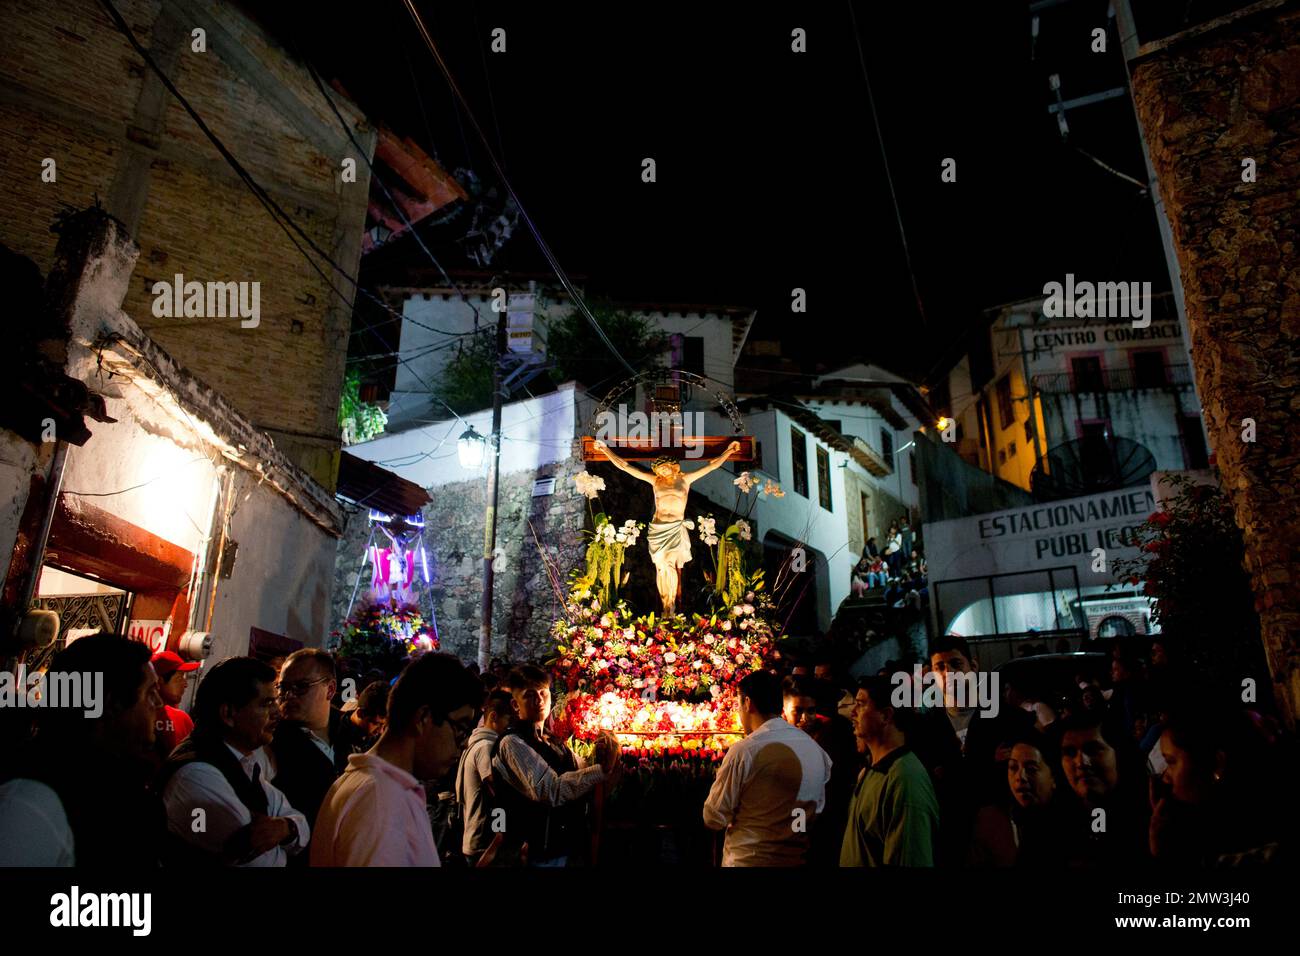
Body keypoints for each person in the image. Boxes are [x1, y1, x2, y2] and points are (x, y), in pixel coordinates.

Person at [0, 633, 165, 866]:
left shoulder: (120, 789)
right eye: (150, 692)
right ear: (112, 704)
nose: (158, 703)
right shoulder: (30, 802)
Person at [312, 653, 481, 866]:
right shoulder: (382, 803)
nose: (464, 743)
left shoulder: (379, 788)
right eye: (460, 728)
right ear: (423, 718)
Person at [161, 657, 309, 866]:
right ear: (228, 714)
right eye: (266, 703)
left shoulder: (243, 761)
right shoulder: (196, 774)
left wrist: (286, 827)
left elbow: (298, 824)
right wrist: (284, 832)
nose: (278, 713)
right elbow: (262, 861)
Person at [590, 437, 743, 615]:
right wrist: (605, 450)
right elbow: (625, 466)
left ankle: (670, 605)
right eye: (658, 469)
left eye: (663, 467)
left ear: (672, 466)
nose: (661, 471)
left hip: (676, 528)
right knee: (661, 567)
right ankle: (665, 603)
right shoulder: (656, 481)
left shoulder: (685, 480)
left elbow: (712, 465)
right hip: (658, 529)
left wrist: (729, 451)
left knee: (670, 564)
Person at [703, 670, 831, 866]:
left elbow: (714, 817)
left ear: (747, 703)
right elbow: (817, 810)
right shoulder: (816, 751)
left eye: (739, 705)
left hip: (749, 860)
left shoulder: (745, 751)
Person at [492, 664, 615, 867]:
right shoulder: (512, 742)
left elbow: (582, 771)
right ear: (515, 705)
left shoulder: (551, 739)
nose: (540, 700)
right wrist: (602, 770)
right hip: (534, 853)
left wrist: (602, 754)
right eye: (530, 695)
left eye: (543, 692)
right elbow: (551, 790)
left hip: (562, 846)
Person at [840, 676, 940, 866]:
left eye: (861, 704)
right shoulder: (874, 769)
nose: (852, 713)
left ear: (885, 715)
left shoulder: (905, 780)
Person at [270, 648, 364, 830]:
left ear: (330, 689)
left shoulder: (352, 734)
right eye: (283, 688)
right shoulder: (270, 740)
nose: (288, 696)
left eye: (301, 687)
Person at [1055, 712, 1151, 866]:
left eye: (1093, 750)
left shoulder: (1151, 818)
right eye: (1070, 753)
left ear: (1119, 755)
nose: (1081, 762)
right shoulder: (1057, 824)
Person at [454, 689, 513, 866]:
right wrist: (500, 834)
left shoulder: (477, 743)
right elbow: (497, 793)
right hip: (483, 842)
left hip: (477, 837)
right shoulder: (486, 747)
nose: (510, 726)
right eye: (508, 719)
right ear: (493, 716)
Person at [151, 650, 198, 757]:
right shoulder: (181, 719)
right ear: (160, 680)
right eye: (179, 678)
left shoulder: (183, 719)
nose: (185, 684)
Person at [343, 680, 388, 750]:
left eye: (384, 725)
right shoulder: (335, 736)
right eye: (376, 723)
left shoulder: (374, 738)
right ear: (360, 713)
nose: (381, 731)